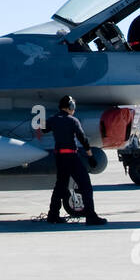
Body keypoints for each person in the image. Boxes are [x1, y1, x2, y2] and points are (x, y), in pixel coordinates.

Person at [45, 96, 107, 226]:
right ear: (71, 106)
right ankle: (91, 216)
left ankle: (53, 214)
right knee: (85, 185)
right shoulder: (73, 120)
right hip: (71, 157)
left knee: (60, 186)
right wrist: (90, 156)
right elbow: (83, 139)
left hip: (59, 158)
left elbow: (43, 130)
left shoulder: (52, 120)